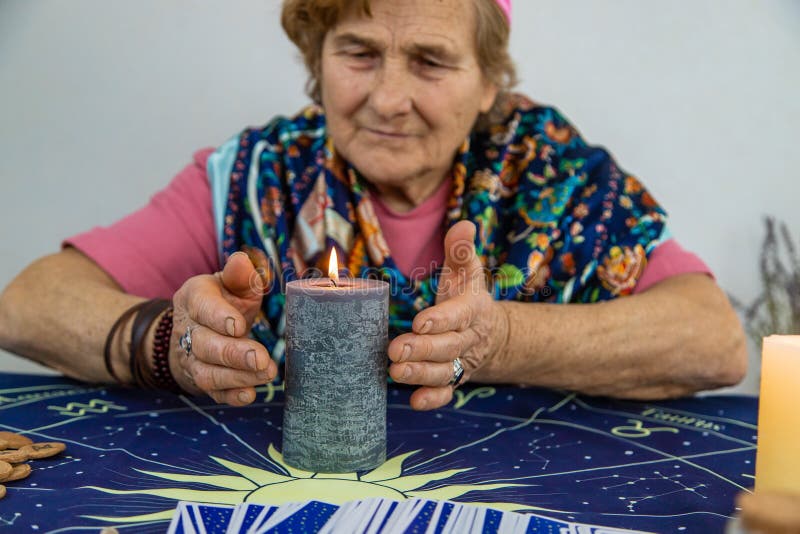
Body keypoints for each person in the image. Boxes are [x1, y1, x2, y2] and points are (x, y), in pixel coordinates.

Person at [0, 0, 746, 412]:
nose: (388, 99)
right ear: (317, 64)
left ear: (489, 82)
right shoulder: (260, 174)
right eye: (358, 53)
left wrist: (500, 338)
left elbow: (713, 341)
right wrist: (168, 344)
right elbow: (29, 305)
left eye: (429, 60)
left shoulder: (551, 172)